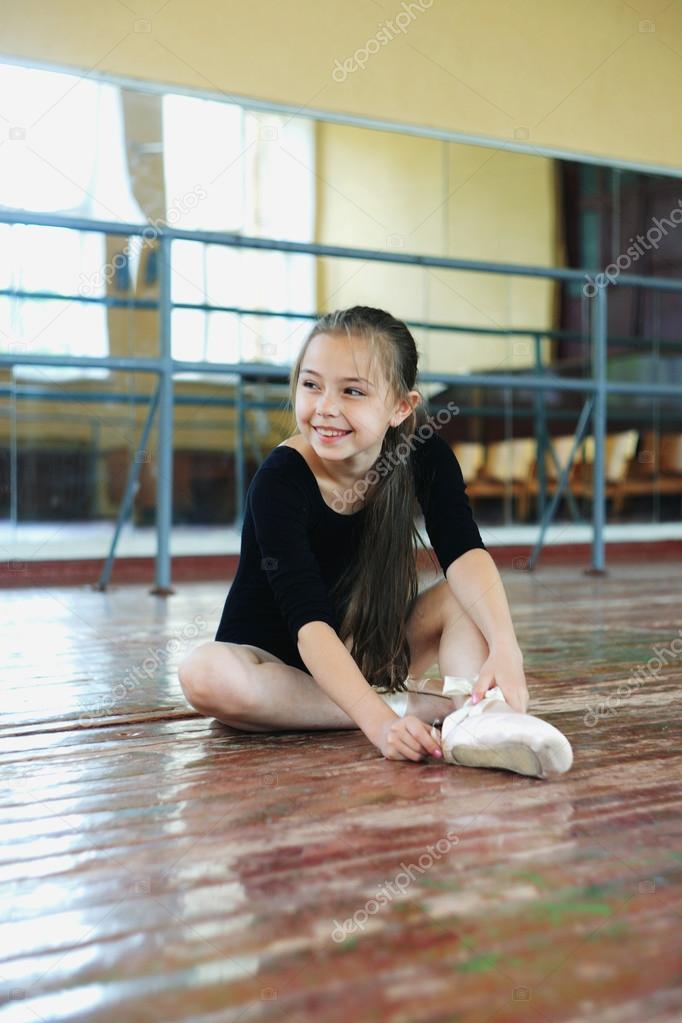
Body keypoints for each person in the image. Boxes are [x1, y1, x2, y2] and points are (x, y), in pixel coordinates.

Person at [179, 306, 573, 778]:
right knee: (203, 673)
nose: (325, 407)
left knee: (465, 595)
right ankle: (429, 707)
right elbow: (309, 626)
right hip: (274, 668)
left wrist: (506, 647)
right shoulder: (280, 481)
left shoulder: (424, 453)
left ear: (401, 407)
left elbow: (466, 554)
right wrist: (382, 723)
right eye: (311, 384)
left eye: (352, 391)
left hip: (364, 650)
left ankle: (482, 719)